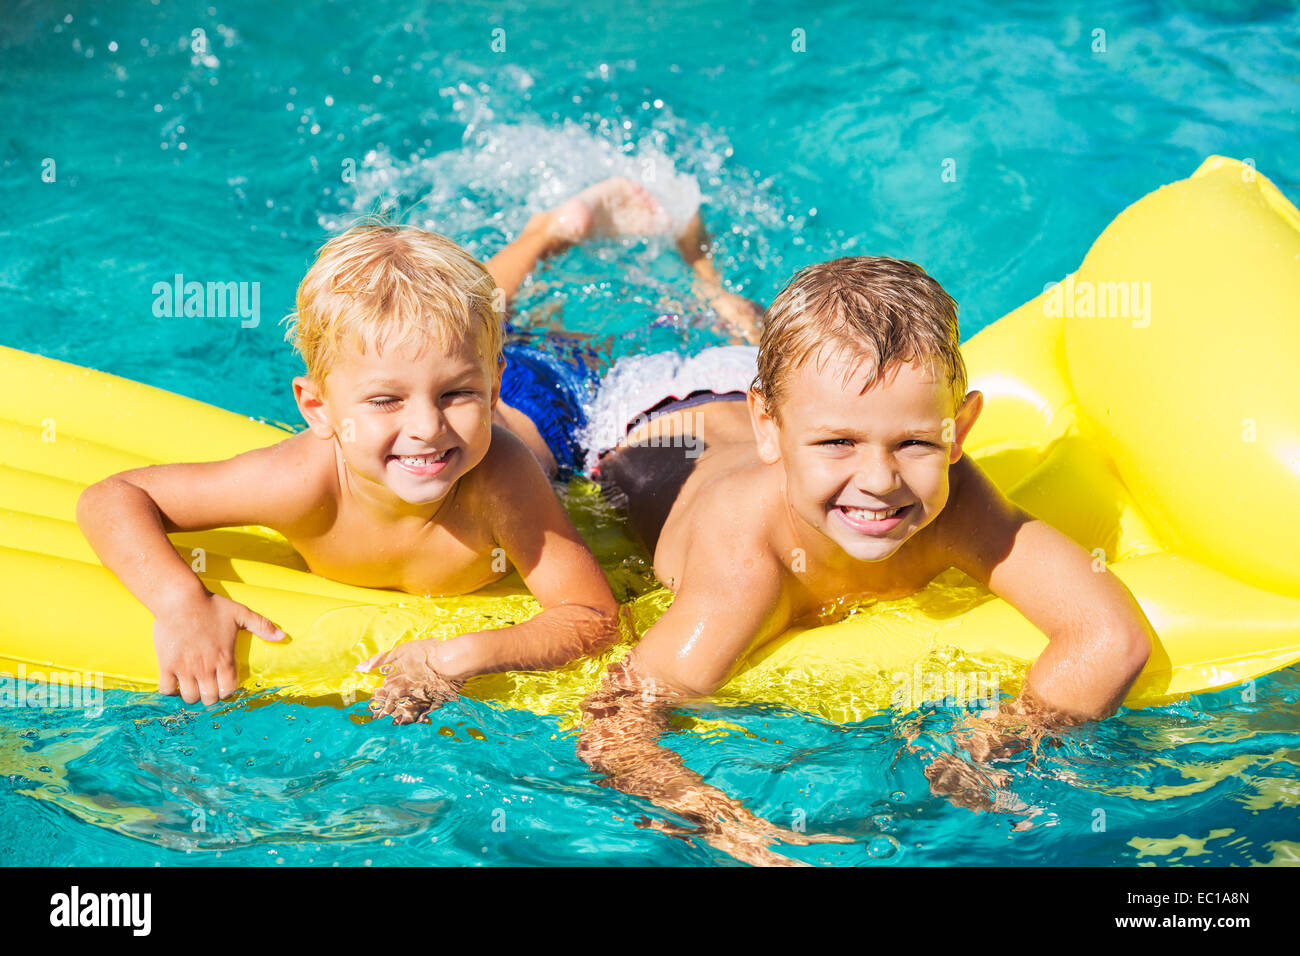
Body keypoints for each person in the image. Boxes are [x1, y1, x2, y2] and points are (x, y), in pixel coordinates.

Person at [570, 256, 1155, 865]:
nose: (879, 480)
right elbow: (616, 723)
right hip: (646, 422)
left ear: (959, 430)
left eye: (914, 443)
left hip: (795, 389)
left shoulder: (957, 501)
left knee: (760, 342)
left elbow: (1110, 637)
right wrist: (730, 827)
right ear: (767, 428)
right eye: (839, 444)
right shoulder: (746, 561)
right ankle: (694, 272)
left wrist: (996, 743)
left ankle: (729, 307)